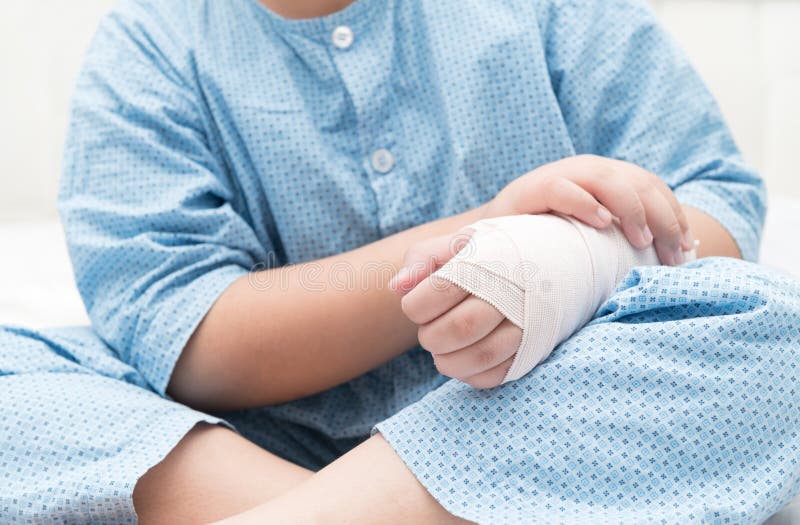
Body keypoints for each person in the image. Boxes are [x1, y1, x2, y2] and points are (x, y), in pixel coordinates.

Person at [2, 0, 799, 523]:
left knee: (776, 334)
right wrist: (487, 233)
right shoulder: (152, 42)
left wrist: (559, 263)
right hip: (261, 439)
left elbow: (714, 210)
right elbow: (188, 337)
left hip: (545, 413)